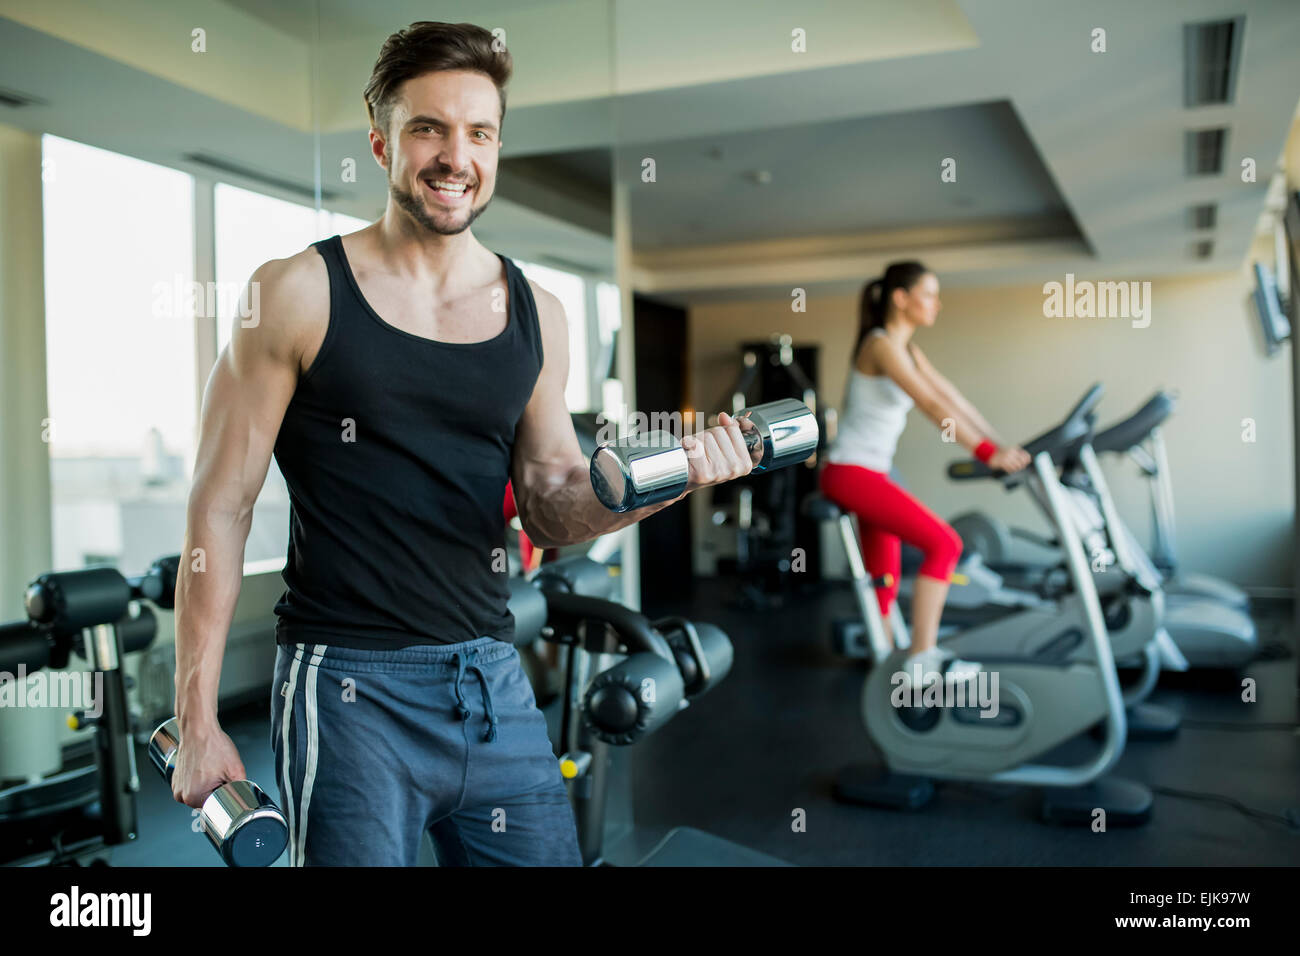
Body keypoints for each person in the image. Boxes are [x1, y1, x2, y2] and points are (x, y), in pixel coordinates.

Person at [168, 21, 756, 867]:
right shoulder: (296, 293)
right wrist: (197, 718)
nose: (456, 156)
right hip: (346, 688)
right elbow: (219, 506)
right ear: (381, 143)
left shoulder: (536, 312)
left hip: (493, 679)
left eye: (478, 132)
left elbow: (553, 505)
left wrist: (666, 482)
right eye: (428, 128)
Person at [820, 261, 1031, 685]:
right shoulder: (881, 346)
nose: (937, 303)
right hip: (850, 472)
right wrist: (987, 452)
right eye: (929, 294)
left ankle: (885, 670)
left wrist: (1002, 444)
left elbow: (951, 398)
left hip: (873, 471)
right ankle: (922, 657)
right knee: (945, 545)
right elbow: (931, 407)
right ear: (901, 298)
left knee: (886, 575)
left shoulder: (909, 350)